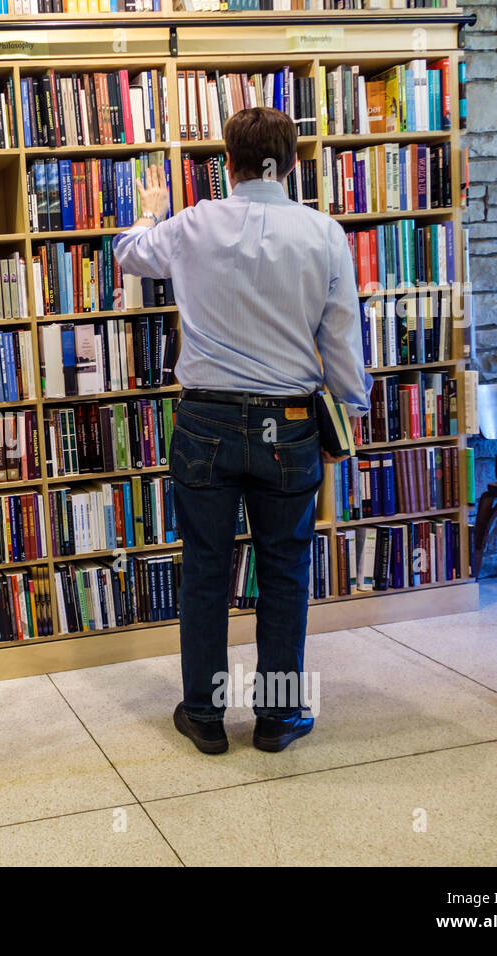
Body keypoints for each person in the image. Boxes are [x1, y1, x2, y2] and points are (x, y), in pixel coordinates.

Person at [113, 106, 372, 755]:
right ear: (293, 163)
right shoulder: (323, 233)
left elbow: (129, 256)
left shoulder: (192, 225)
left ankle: (204, 714)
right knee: (285, 570)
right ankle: (278, 718)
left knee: (205, 568)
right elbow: (341, 336)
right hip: (290, 423)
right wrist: (351, 409)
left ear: (227, 163)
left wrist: (150, 210)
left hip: (206, 420)